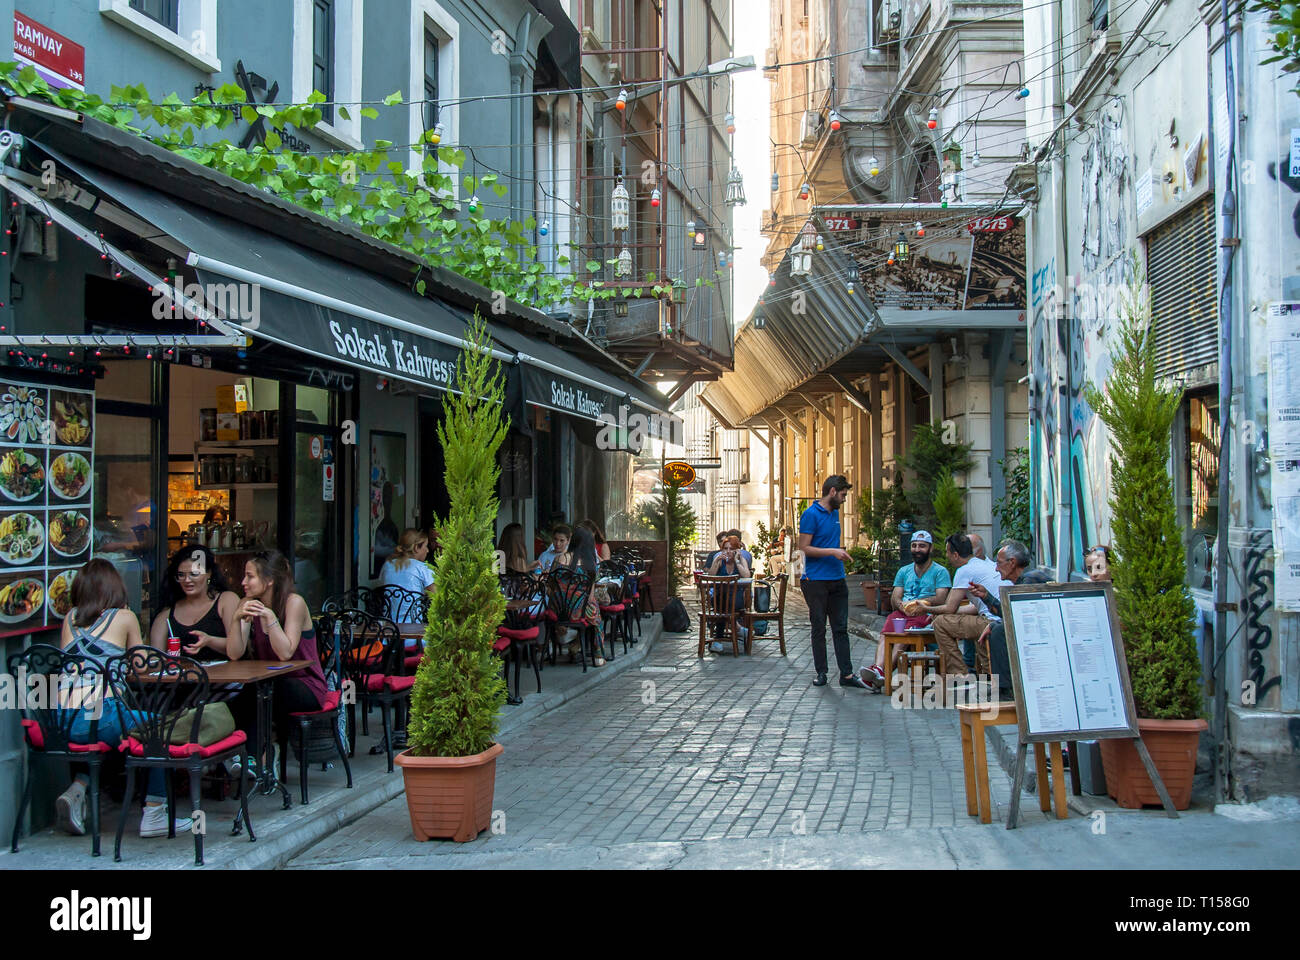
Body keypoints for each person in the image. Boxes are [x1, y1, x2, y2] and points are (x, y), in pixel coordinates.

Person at [53, 559, 192, 839]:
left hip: (61, 720)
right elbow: (140, 666)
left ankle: (78, 789)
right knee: (157, 729)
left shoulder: (69, 618)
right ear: (114, 588)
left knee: (118, 733)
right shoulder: (124, 616)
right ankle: (154, 812)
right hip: (99, 713)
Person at [227, 552, 328, 751]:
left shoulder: (294, 603)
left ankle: (260, 760)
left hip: (305, 684)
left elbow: (285, 653)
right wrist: (235, 620)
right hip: (269, 681)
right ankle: (253, 761)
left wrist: (270, 617)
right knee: (243, 698)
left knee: (258, 696)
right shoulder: (247, 602)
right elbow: (234, 654)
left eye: (250, 576)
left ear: (270, 580)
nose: (243, 582)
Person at [800, 475, 873, 689]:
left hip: (837, 579)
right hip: (815, 580)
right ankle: (821, 673)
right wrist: (832, 551)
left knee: (840, 628)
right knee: (819, 628)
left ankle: (847, 675)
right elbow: (803, 547)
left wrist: (837, 553)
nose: (844, 499)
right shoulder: (811, 514)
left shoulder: (834, 514)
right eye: (842, 495)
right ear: (832, 492)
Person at [861, 530, 951, 690]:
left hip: (926, 614)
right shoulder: (904, 571)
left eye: (922, 546)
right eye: (914, 545)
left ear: (930, 549)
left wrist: (919, 604)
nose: (917, 549)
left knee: (901, 641)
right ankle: (878, 669)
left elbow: (941, 598)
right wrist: (901, 605)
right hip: (902, 614)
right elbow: (896, 596)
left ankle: (881, 673)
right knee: (886, 636)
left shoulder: (940, 571)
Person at [921, 533, 1012, 682]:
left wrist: (926, 609)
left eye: (947, 552)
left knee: (941, 623)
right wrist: (939, 612)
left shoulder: (964, 570)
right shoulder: (986, 564)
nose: (946, 556)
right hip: (1001, 618)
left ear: (955, 555)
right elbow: (974, 607)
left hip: (992, 622)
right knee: (946, 619)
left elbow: (950, 608)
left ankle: (960, 674)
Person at [970, 541, 1051, 697]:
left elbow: (1021, 617)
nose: (996, 568)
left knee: (999, 631)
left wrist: (996, 624)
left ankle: (1005, 689)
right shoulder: (1024, 581)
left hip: (1043, 634)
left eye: (999, 563)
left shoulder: (1029, 581)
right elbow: (1013, 613)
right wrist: (986, 596)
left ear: (1012, 563)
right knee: (997, 627)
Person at [151, 545, 241, 662]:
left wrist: (209, 641)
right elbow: (155, 659)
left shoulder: (227, 600)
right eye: (181, 575)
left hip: (226, 678)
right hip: (182, 679)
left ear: (209, 573)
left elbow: (238, 649)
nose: (187, 580)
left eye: (194, 574)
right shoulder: (166, 614)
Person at [554, 526, 606, 667]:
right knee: (597, 619)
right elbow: (590, 596)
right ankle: (598, 656)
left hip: (559, 611)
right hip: (580, 613)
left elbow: (551, 586)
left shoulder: (559, 559)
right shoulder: (591, 565)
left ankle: (574, 643)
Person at [379, 528, 436, 596]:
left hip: (389, 606)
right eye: (426, 546)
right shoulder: (422, 568)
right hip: (414, 606)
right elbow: (436, 597)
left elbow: (381, 587)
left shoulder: (387, 564)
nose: (427, 551)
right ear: (416, 548)